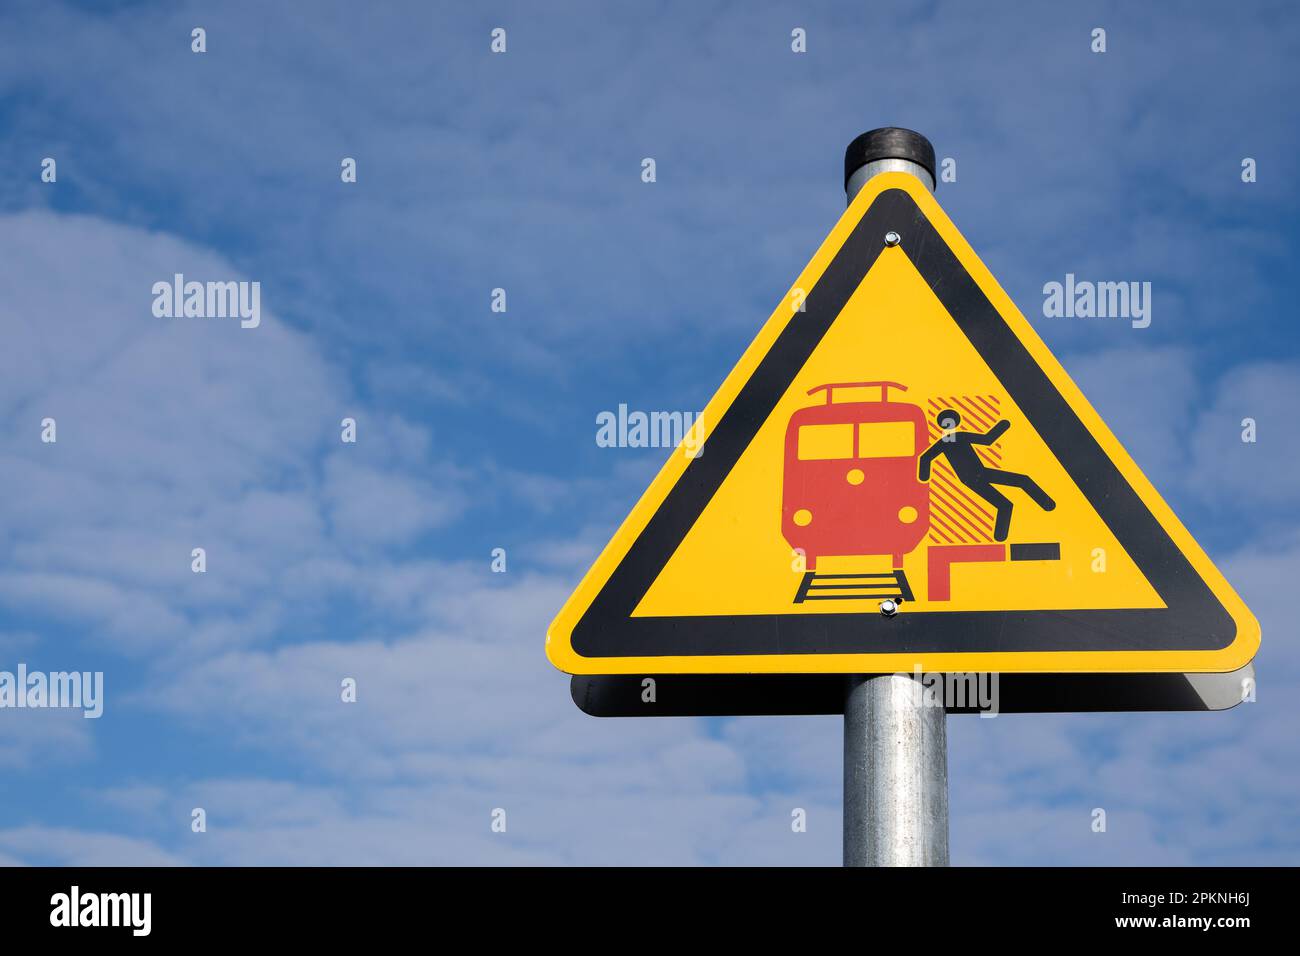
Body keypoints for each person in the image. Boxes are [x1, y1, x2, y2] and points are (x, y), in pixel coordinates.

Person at [918, 409, 1055, 542]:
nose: (948, 425)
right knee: (1011, 495)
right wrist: (924, 478)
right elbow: (925, 458)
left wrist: (1003, 425)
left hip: (978, 474)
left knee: (1012, 494)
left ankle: (1046, 507)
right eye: (946, 423)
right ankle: (1002, 536)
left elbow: (987, 439)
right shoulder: (946, 441)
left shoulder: (959, 436)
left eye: (950, 422)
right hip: (974, 477)